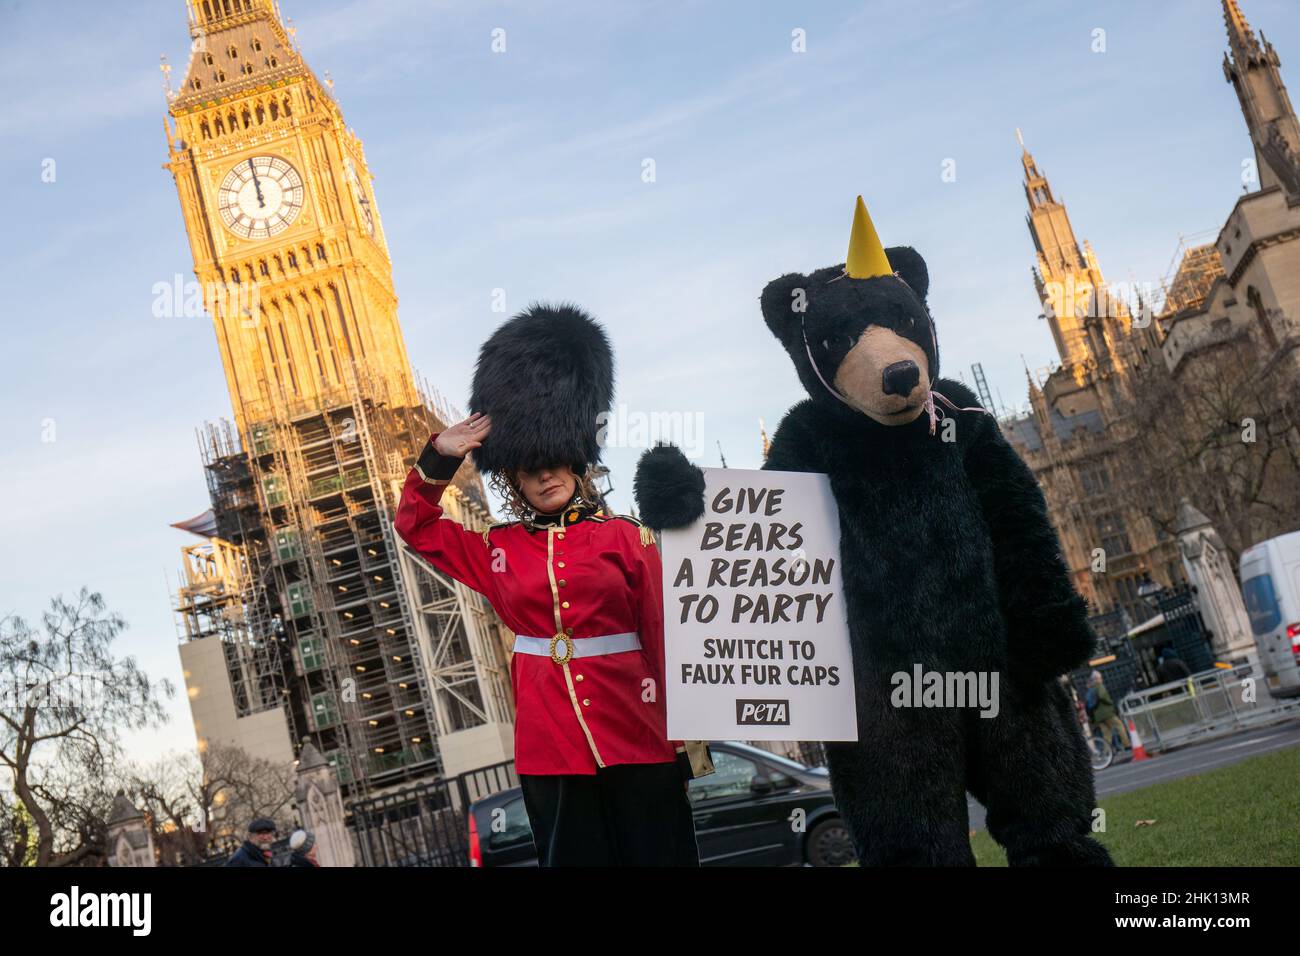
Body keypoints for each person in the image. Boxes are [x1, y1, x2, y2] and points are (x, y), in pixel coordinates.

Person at [394, 304, 710, 866]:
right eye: (529, 464)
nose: (545, 473)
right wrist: (439, 457)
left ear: (577, 459)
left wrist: (685, 736)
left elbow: (662, 639)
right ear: (512, 474)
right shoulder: (497, 549)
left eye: (555, 459)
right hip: (550, 745)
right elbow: (415, 527)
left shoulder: (624, 538)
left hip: (637, 731)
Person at [1085, 670, 1130, 753]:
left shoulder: (1091, 690)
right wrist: (1110, 702)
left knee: (1106, 733)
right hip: (1107, 713)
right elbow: (1103, 696)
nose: (1101, 679)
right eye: (1100, 677)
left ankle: (1107, 751)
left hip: (1098, 716)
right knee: (1120, 726)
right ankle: (1127, 745)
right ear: (1097, 679)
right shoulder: (1099, 686)